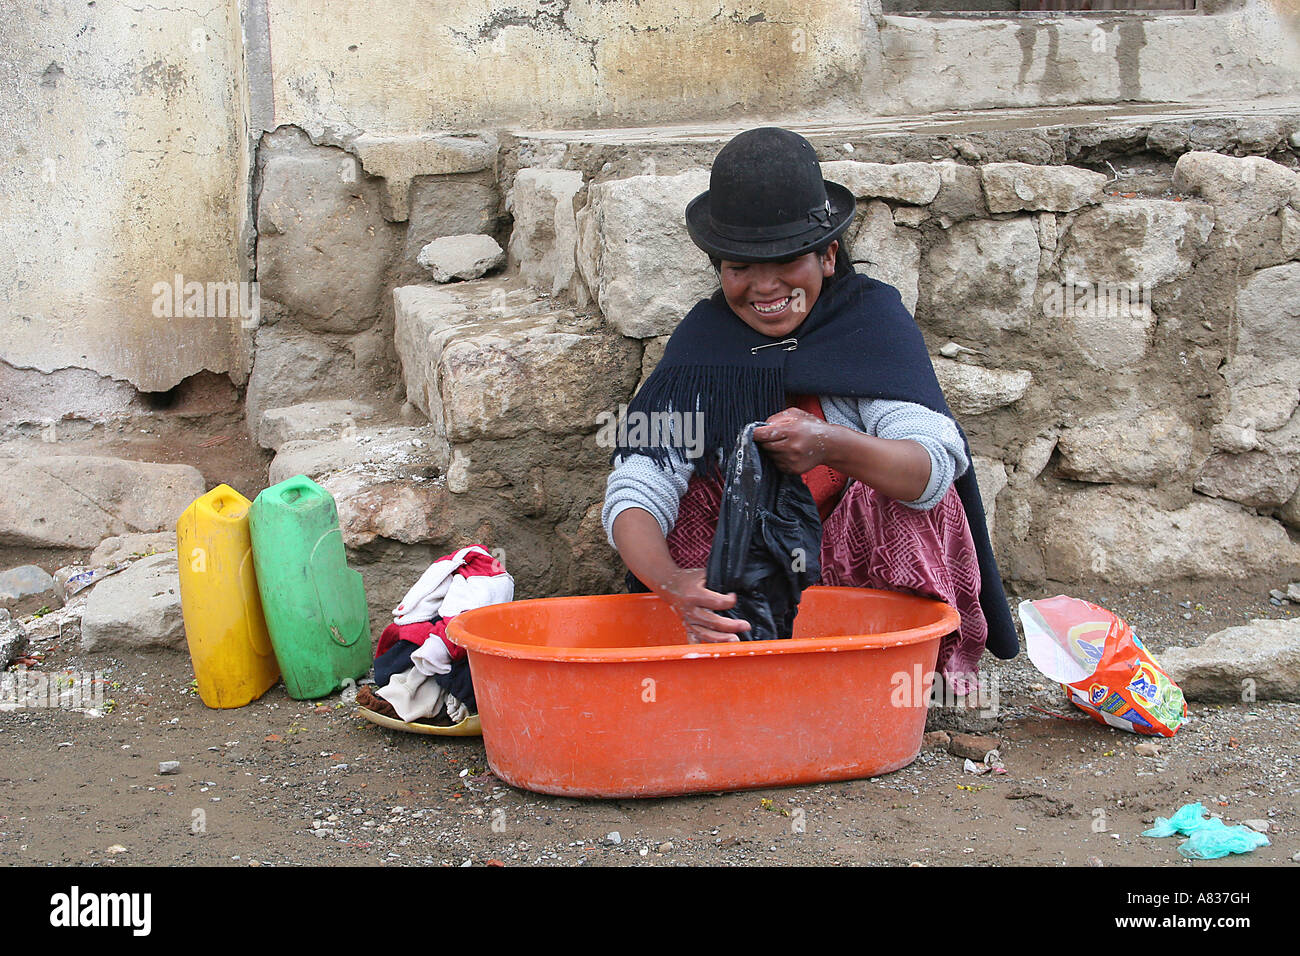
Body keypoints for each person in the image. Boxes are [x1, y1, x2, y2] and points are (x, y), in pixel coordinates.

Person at [600, 127, 1018, 689]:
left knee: (908, 495)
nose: (763, 286)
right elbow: (637, 485)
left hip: (856, 580)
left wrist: (831, 445)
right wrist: (674, 584)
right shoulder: (704, 347)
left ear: (827, 255)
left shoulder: (870, 325)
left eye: (787, 260)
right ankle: (724, 663)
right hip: (750, 589)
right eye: (739, 266)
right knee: (697, 486)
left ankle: (890, 669)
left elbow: (933, 469)